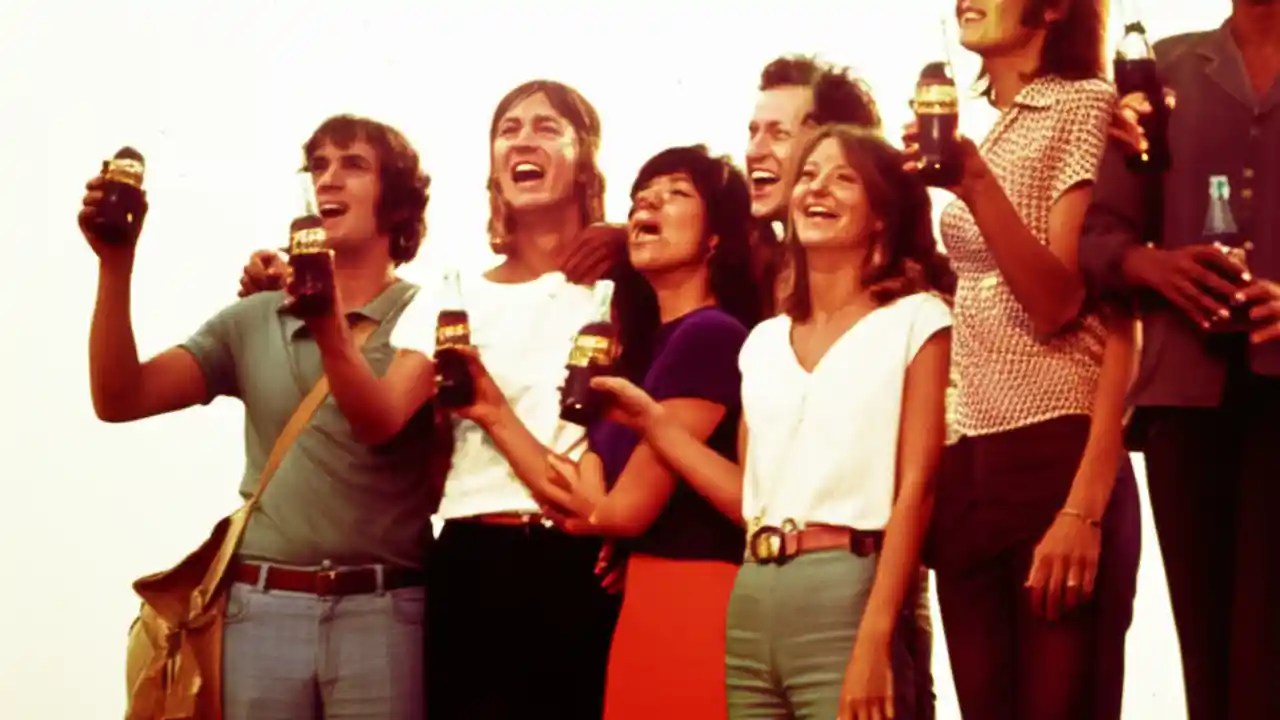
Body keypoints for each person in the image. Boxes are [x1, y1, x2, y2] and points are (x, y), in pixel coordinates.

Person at [584, 125, 954, 720]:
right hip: (755, 592)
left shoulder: (916, 320)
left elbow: (919, 489)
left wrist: (876, 637)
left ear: (881, 215)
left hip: (850, 584)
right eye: (807, 175)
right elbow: (751, 498)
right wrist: (655, 424)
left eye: (843, 177)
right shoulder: (763, 342)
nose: (817, 188)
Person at [84, 114, 434, 718]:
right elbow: (120, 398)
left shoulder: (429, 317)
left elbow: (383, 424)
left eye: (353, 165)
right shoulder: (255, 318)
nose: (330, 179)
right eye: (318, 165)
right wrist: (115, 262)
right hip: (262, 608)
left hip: (385, 611)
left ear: (399, 202)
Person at [293, 80, 619, 719]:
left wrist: (625, 240)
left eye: (547, 127)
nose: (524, 138)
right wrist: (329, 323)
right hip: (476, 561)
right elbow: (381, 419)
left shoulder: (625, 285)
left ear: (585, 159)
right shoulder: (455, 292)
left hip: (584, 561)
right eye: (508, 128)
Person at [902, 1, 1142, 718]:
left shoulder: (1084, 104)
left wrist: (1083, 508)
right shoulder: (996, 128)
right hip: (969, 457)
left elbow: (1061, 301)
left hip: (1055, 448)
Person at [1079, 2, 1280, 717]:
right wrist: (1151, 267)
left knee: (1268, 657)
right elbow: (1099, 234)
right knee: (1209, 656)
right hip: (1185, 401)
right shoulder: (1160, 67)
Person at [531, 145, 759, 719]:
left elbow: (618, 511)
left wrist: (602, 513)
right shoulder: (639, 349)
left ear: (715, 238)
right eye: (641, 196)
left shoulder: (710, 335)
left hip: (696, 600)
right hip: (645, 602)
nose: (647, 203)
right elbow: (590, 477)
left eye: (677, 193)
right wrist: (599, 504)